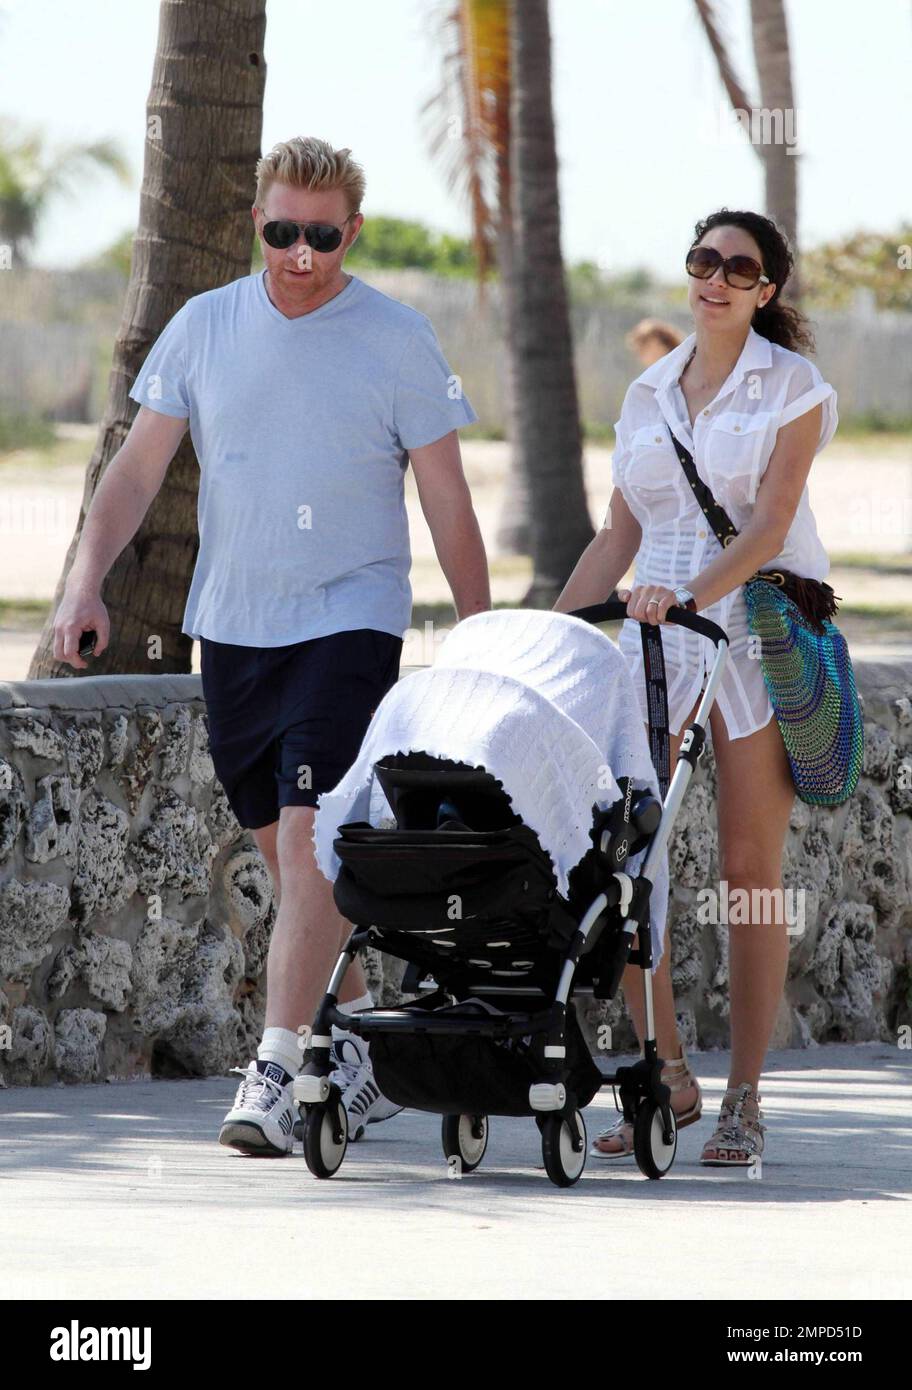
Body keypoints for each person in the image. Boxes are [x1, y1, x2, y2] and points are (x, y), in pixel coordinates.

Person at [53, 136, 491, 1155]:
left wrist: (480, 631)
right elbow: (133, 473)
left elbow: (448, 498)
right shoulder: (205, 327)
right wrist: (85, 581)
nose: (302, 254)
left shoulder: (397, 337)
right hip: (235, 627)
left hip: (352, 616)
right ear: (258, 222)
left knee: (306, 837)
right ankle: (359, 1049)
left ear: (355, 230)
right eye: (284, 231)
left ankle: (277, 1065)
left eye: (323, 235)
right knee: (290, 860)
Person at [555, 208, 837, 1166]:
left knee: (750, 876)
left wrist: (690, 598)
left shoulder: (795, 387)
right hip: (650, 635)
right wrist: (550, 635)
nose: (714, 277)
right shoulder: (647, 391)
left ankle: (746, 1099)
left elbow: (769, 525)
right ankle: (662, 1079)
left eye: (738, 266)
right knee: (633, 867)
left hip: (748, 630)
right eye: (702, 259)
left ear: (767, 289)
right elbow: (614, 537)